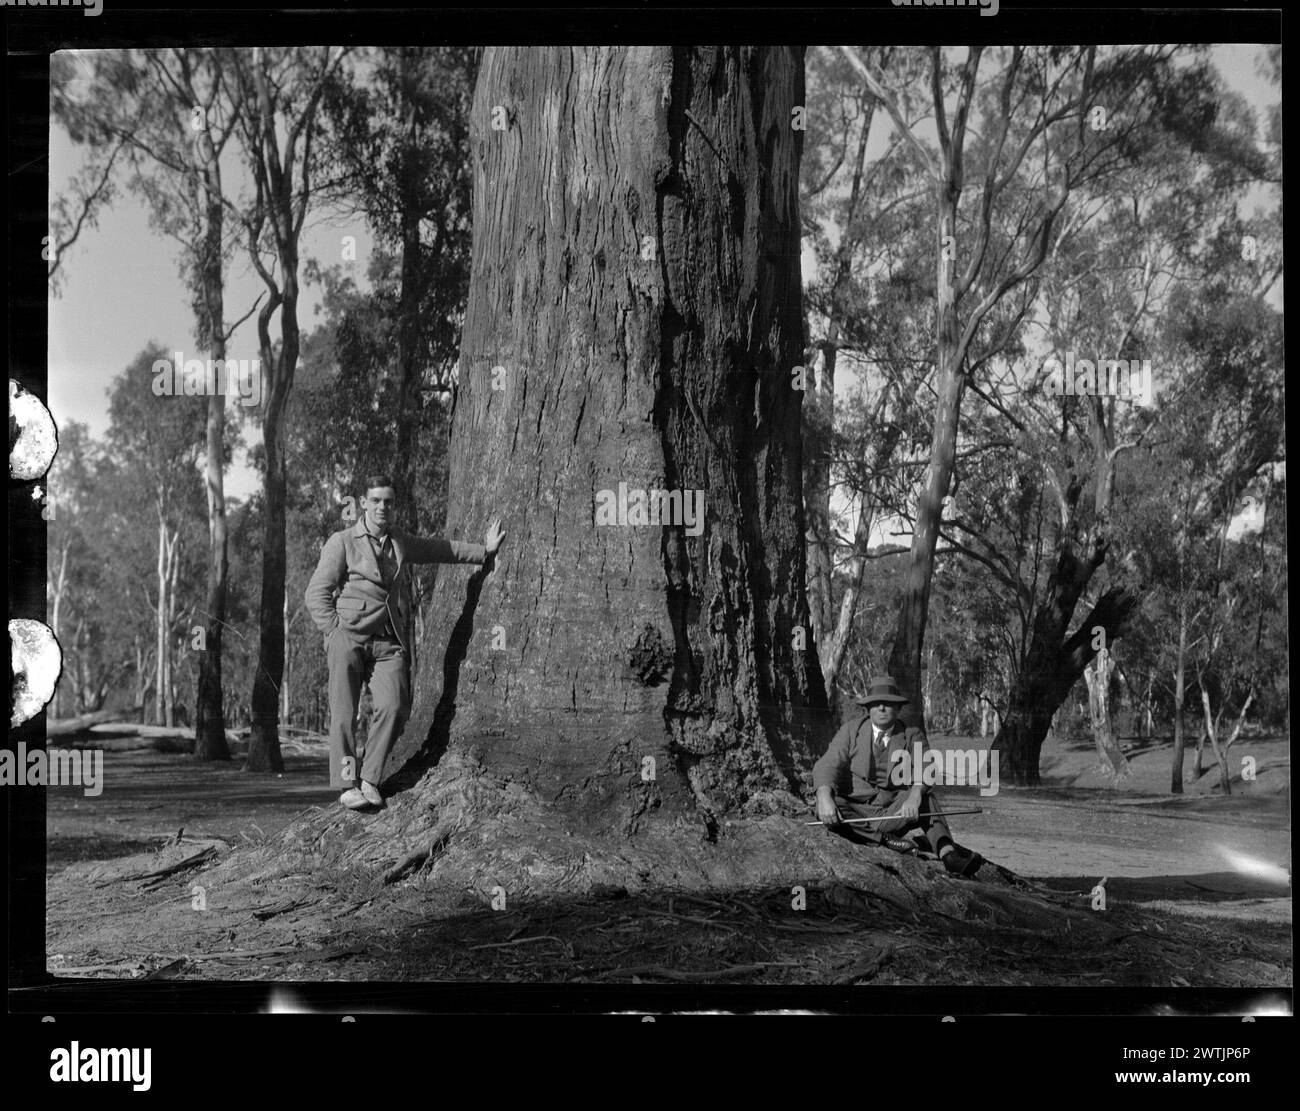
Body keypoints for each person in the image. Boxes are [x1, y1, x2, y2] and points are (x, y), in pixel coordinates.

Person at [305, 474, 506, 810]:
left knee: (395, 705)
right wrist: (334, 632)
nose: (382, 507)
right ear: (364, 503)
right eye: (376, 500)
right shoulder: (342, 541)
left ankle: (369, 778)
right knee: (344, 712)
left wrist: (483, 551)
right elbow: (316, 593)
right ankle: (346, 785)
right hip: (348, 638)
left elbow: (439, 548)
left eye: (389, 501)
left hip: (389, 641)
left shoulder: (399, 541)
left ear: (394, 506)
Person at [813, 675, 982, 877]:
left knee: (926, 799)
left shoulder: (912, 734)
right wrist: (824, 797)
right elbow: (828, 763)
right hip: (855, 812)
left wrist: (914, 795)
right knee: (826, 804)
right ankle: (886, 840)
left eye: (888, 704)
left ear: (898, 708)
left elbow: (926, 767)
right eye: (876, 704)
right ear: (868, 708)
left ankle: (949, 855)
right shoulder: (851, 730)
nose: (882, 708)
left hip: (894, 811)